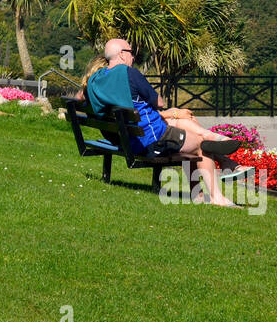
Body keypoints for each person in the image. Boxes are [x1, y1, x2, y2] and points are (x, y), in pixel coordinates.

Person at [83, 39, 243, 206]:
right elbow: (159, 102)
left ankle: (204, 187)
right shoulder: (128, 73)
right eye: (132, 53)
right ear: (122, 55)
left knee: (182, 126)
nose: (133, 58)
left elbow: (85, 98)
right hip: (152, 140)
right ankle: (217, 197)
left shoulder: (96, 78)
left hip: (126, 140)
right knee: (201, 144)